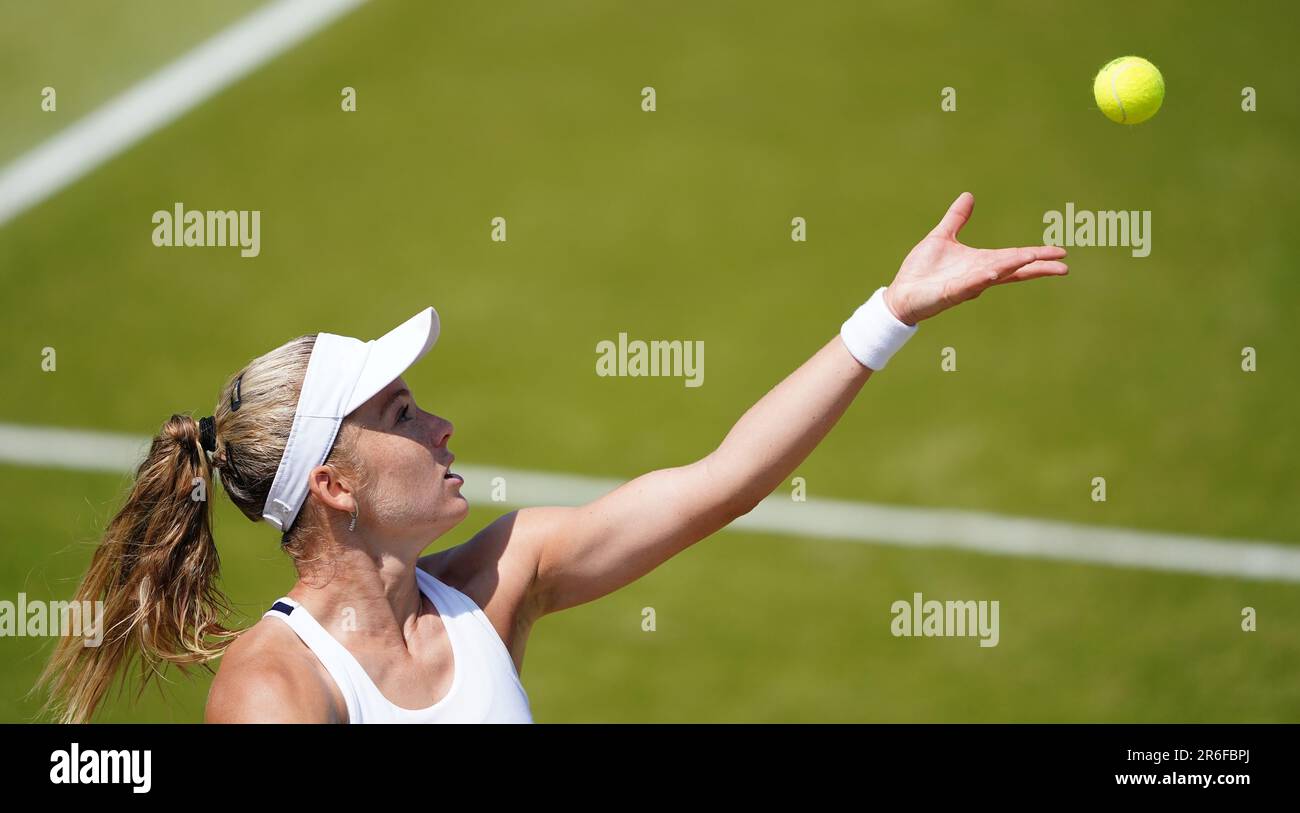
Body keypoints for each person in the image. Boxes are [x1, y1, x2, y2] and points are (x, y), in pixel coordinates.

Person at [39, 192, 1066, 723]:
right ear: (335, 486)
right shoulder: (277, 691)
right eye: (401, 412)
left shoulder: (505, 575)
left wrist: (888, 314)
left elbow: (725, 480)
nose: (441, 426)